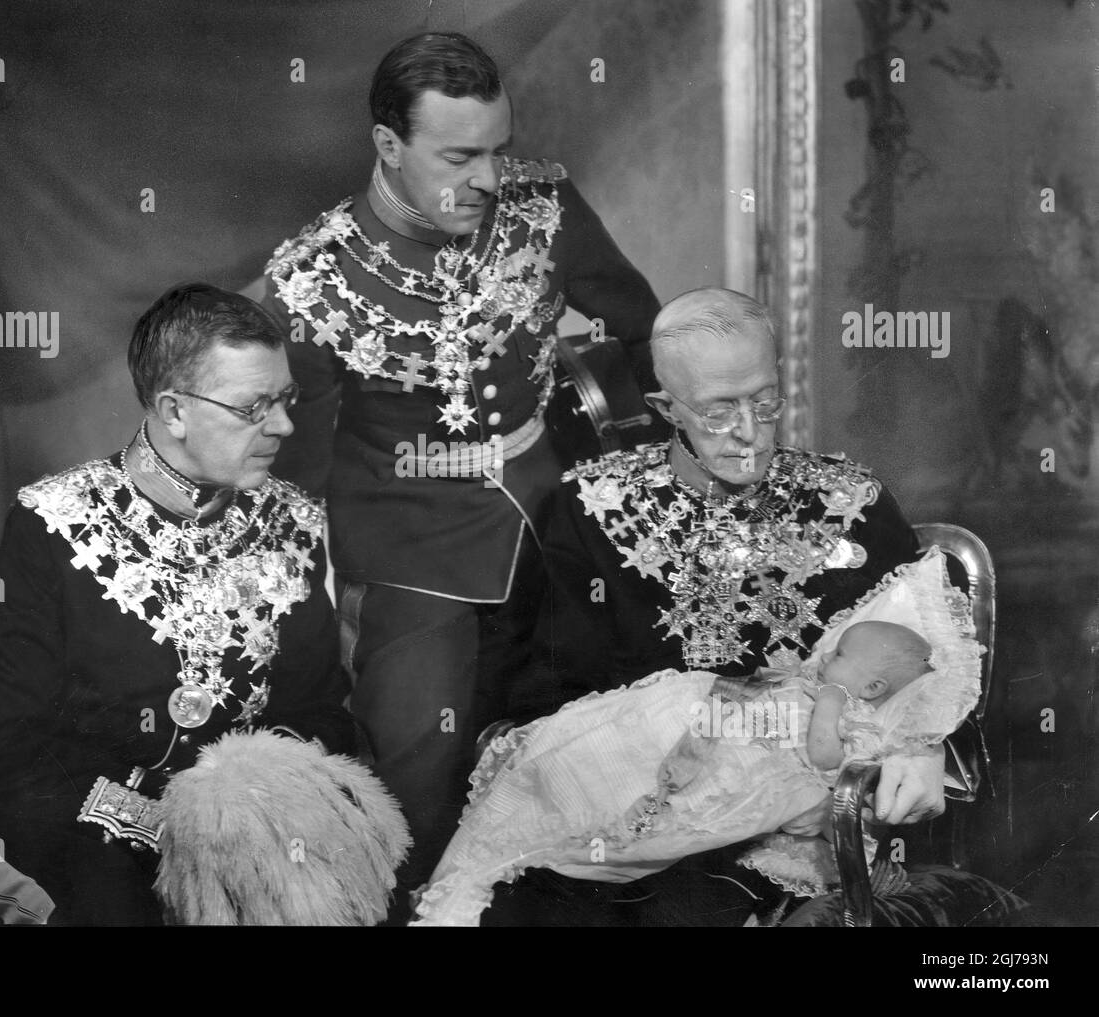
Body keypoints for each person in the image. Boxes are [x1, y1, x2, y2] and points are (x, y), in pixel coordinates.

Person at [261, 31, 660, 906]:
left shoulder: (544, 211)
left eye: (498, 150)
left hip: (554, 525)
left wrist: (630, 443)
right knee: (421, 780)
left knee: (607, 751)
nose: (488, 178)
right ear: (387, 145)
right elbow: (279, 470)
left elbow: (647, 328)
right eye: (460, 155)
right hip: (409, 559)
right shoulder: (313, 278)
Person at [485, 287, 950, 925]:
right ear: (665, 407)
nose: (750, 435)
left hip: (814, 818)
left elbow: (920, 654)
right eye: (718, 411)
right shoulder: (591, 508)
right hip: (640, 819)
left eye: (765, 401)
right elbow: (551, 690)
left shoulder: (853, 502)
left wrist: (919, 743)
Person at [0, 284, 407, 926]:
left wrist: (247, 804)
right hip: (82, 841)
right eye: (254, 407)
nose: (281, 426)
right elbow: (7, 757)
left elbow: (320, 714)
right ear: (174, 411)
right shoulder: (51, 524)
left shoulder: (293, 524)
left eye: (285, 400)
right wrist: (166, 824)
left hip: (254, 840)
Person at [413, 620, 974, 926]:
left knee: (654, 812)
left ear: (871, 689)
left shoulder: (837, 707)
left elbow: (823, 758)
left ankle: (568, 829)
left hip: (735, 773)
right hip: (712, 728)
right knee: (629, 743)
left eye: (842, 656)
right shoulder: (821, 689)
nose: (825, 658)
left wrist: (824, 698)